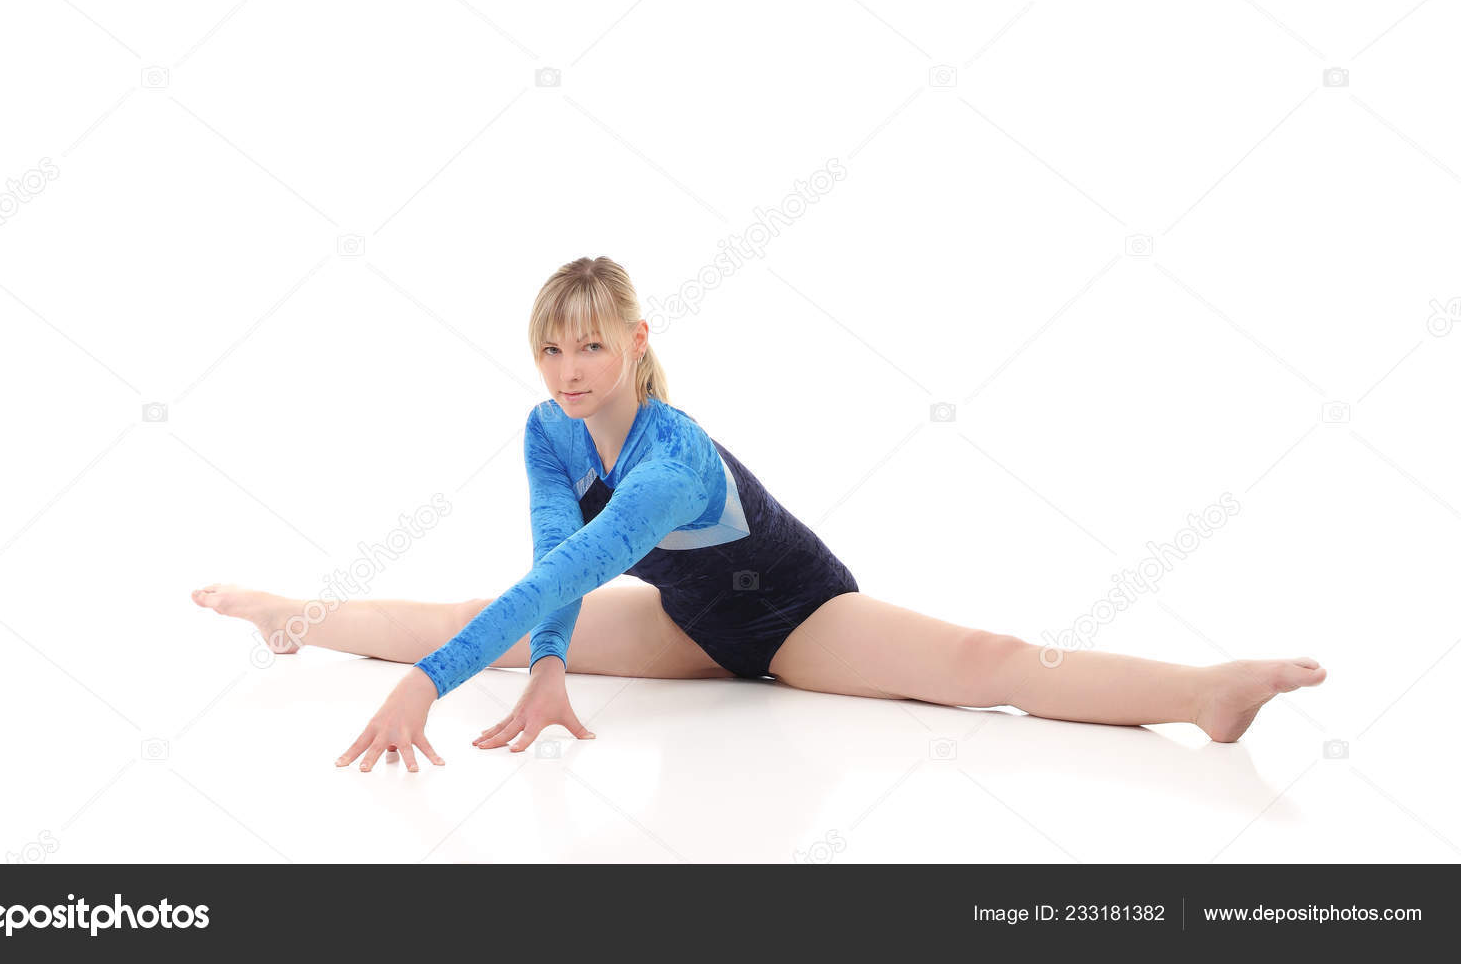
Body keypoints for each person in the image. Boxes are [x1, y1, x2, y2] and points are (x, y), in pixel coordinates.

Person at [192, 256, 1326, 773]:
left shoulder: (671, 461)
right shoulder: (545, 431)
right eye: (550, 345)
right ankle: (291, 617)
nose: (568, 367)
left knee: (989, 661)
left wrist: (425, 685)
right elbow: (549, 567)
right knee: (476, 608)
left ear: (636, 342)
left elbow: (587, 556)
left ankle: (1202, 694)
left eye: (591, 342)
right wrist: (543, 668)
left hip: (795, 617)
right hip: (686, 623)